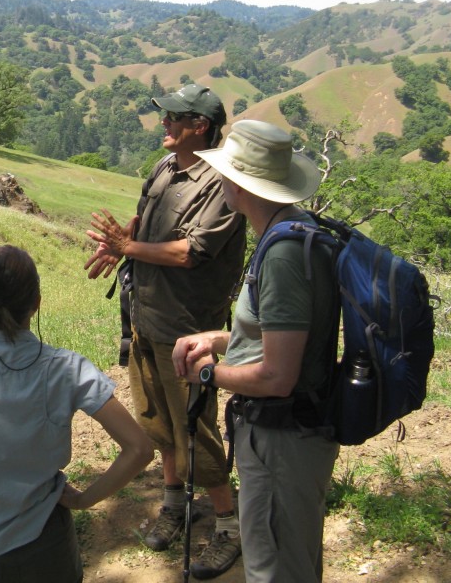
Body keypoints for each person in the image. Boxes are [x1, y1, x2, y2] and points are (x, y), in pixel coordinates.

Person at [0, 245, 153, 583]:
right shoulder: (67, 368)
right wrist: (84, 499)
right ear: (36, 302)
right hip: (49, 544)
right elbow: (139, 449)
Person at [84, 84, 246, 577]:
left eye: (175, 117)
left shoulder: (220, 183)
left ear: (201, 126)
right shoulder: (165, 167)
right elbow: (144, 229)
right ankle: (175, 504)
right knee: (157, 421)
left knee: (195, 427)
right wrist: (123, 244)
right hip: (145, 317)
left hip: (188, 330)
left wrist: (129, 249)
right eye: (166, 115)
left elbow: (190, 253)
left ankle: (228, 527)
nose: (165, 123)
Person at [173, 119, 340, 582]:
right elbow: (280, 335)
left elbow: (277, 375)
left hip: (282, 440)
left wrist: (207, 374)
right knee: (291, 558)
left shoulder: (284, 254)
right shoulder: (289, 230)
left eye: (225, 172)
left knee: (274, 566)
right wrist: (219, 339)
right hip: (285, 436)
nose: (219, 179)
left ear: (241, 185)